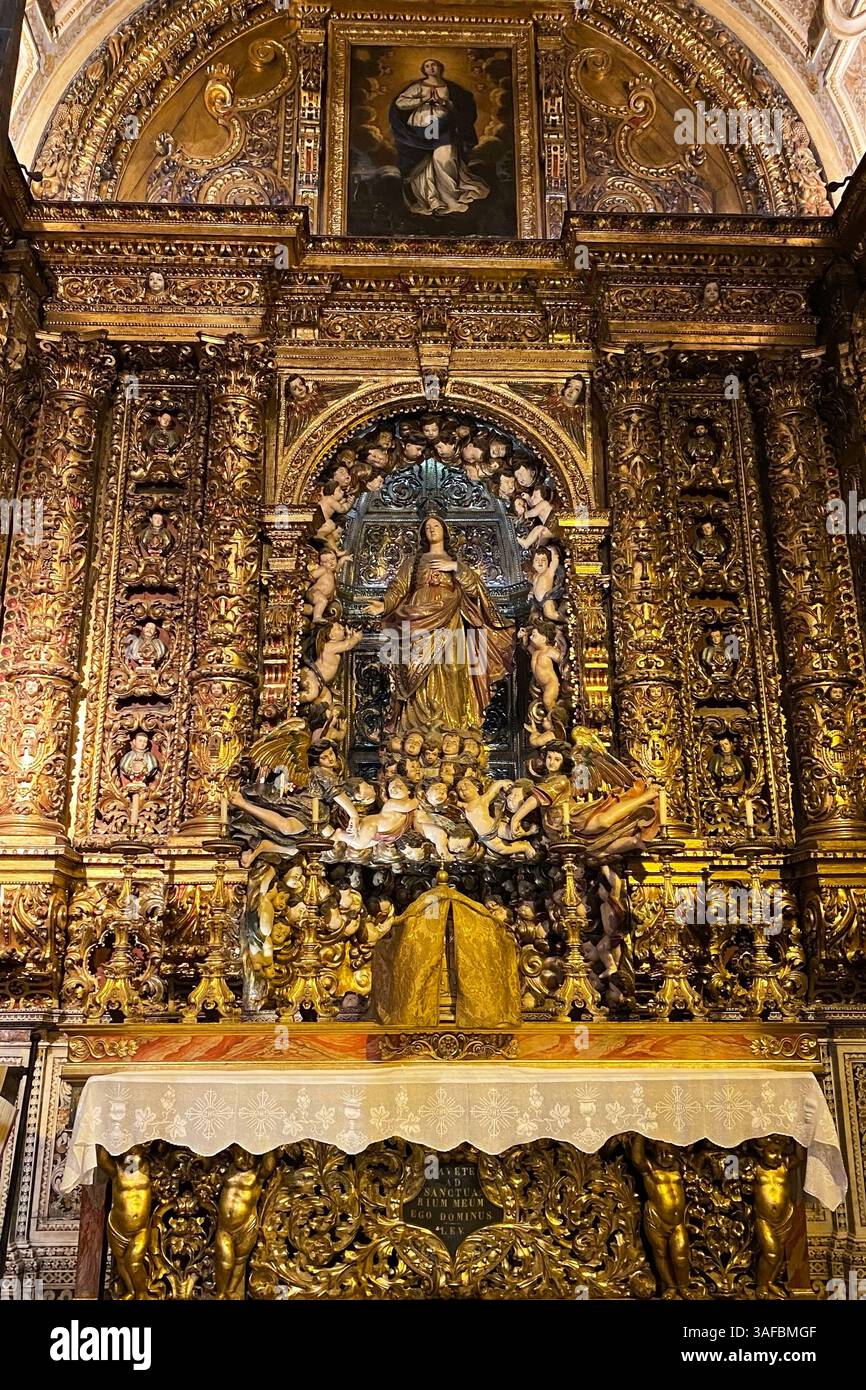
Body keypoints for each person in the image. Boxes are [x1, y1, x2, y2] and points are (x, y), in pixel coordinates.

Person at [366, 515, 513, 732]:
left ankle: (452, 726)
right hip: (417, 617)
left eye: (436, 526)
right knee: (415, 670)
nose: (432, 530)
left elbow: (475, 591)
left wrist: (454, 567)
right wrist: (384, 606)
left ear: (445, 531)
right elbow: (398, 590)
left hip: (450, 618)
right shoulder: (414, 562)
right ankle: (416, 728)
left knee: (452, 668)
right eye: (428, 527)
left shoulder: (456, 565)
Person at [390, 59, 490, 218]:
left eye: (433, 64)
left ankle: (451, 198)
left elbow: (461, 107)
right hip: (420, 128)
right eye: (427, 65)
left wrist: (444, 102)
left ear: (440, 67)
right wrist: (422, 99)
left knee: (445, 157)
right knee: (424, 161)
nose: (431, 68)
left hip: (443, 125)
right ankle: (431, 198)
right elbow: (400, 103)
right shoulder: (418, 86)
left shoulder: (450, 88)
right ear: (423, 69)